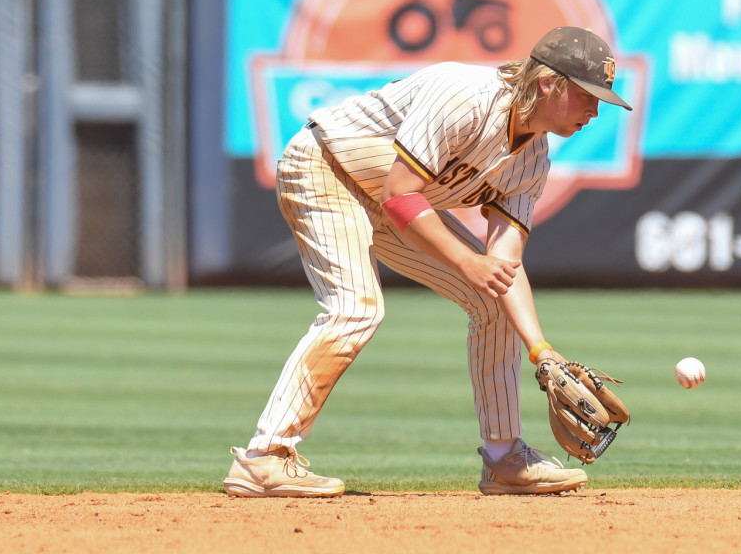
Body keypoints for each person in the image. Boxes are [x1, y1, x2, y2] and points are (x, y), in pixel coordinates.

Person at [224, 26, 633, 498]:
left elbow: (505, 265)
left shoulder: (532, 158)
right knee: (356, 310)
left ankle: (504, 460)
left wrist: (542, 350)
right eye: (587, 95)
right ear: (548, 83)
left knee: (491, 298)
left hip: (392, 202)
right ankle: (264, 458)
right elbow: (401, 194)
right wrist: (465, 261)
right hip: (326, 166)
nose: (596, 110)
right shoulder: (466, 96)